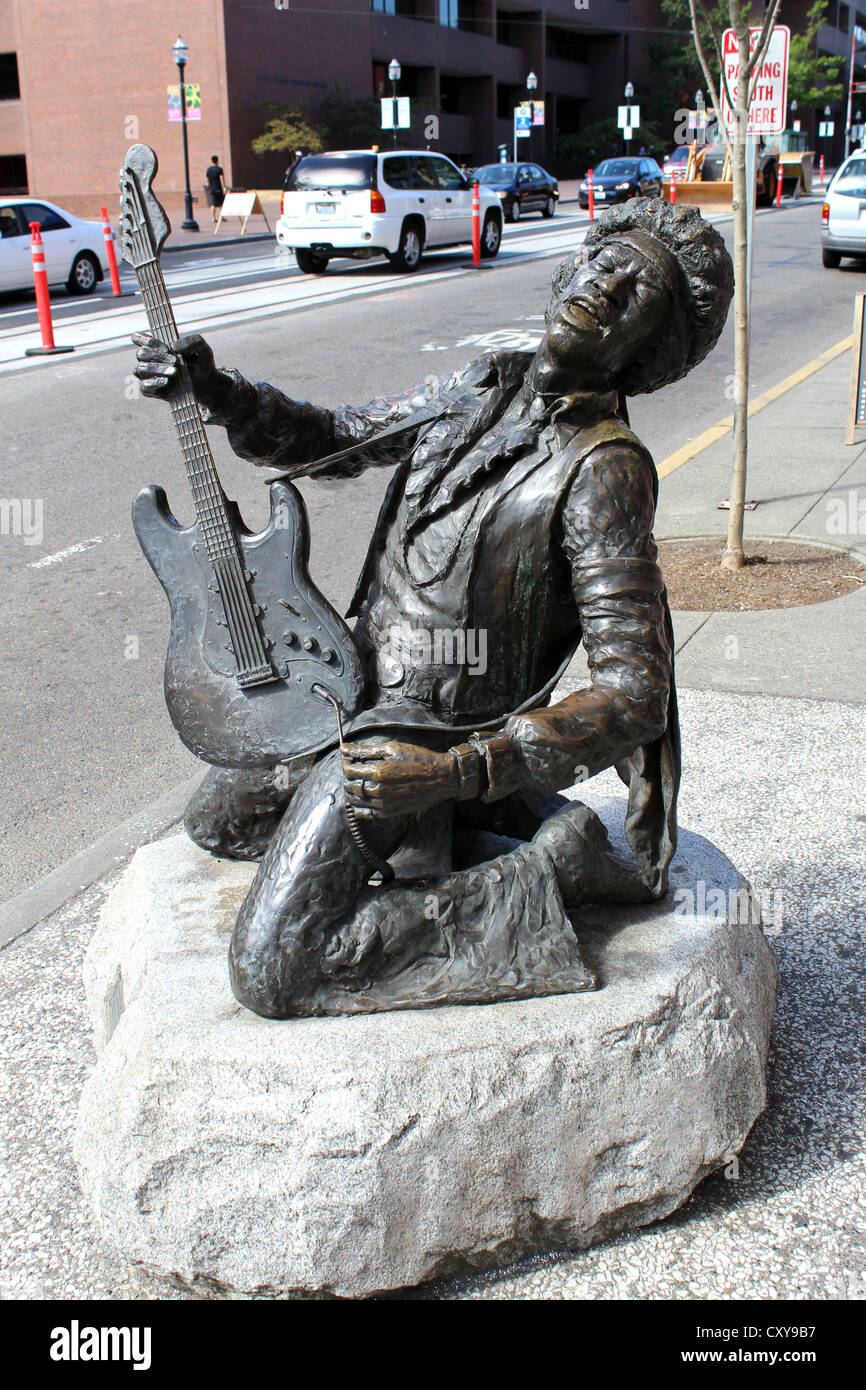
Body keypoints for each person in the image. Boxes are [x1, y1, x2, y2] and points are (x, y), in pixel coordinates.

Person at [133, 198, 733, 1018]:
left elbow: (635, 693)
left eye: (638, 293)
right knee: (220, 820)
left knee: (275, 965)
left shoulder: (605, 470)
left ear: (647, 350)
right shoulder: (482, 378)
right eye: (604, 263)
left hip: (432, 731)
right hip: (351, 685)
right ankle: (479, 834)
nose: (607, 286)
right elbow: (338, 436)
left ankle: (537, 874)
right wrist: (222, 392)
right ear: (569, 270)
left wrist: (455, 771)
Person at [204, 155, 225, 225]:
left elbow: (207, 179)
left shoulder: (209, 169)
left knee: (213, 204)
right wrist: (224, 187)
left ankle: (213, 218)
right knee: (221, 203)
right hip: (218, 188)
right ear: (217, 160)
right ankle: (222, 217)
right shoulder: (219, 169)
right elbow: (221, 179)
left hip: (212, 188)